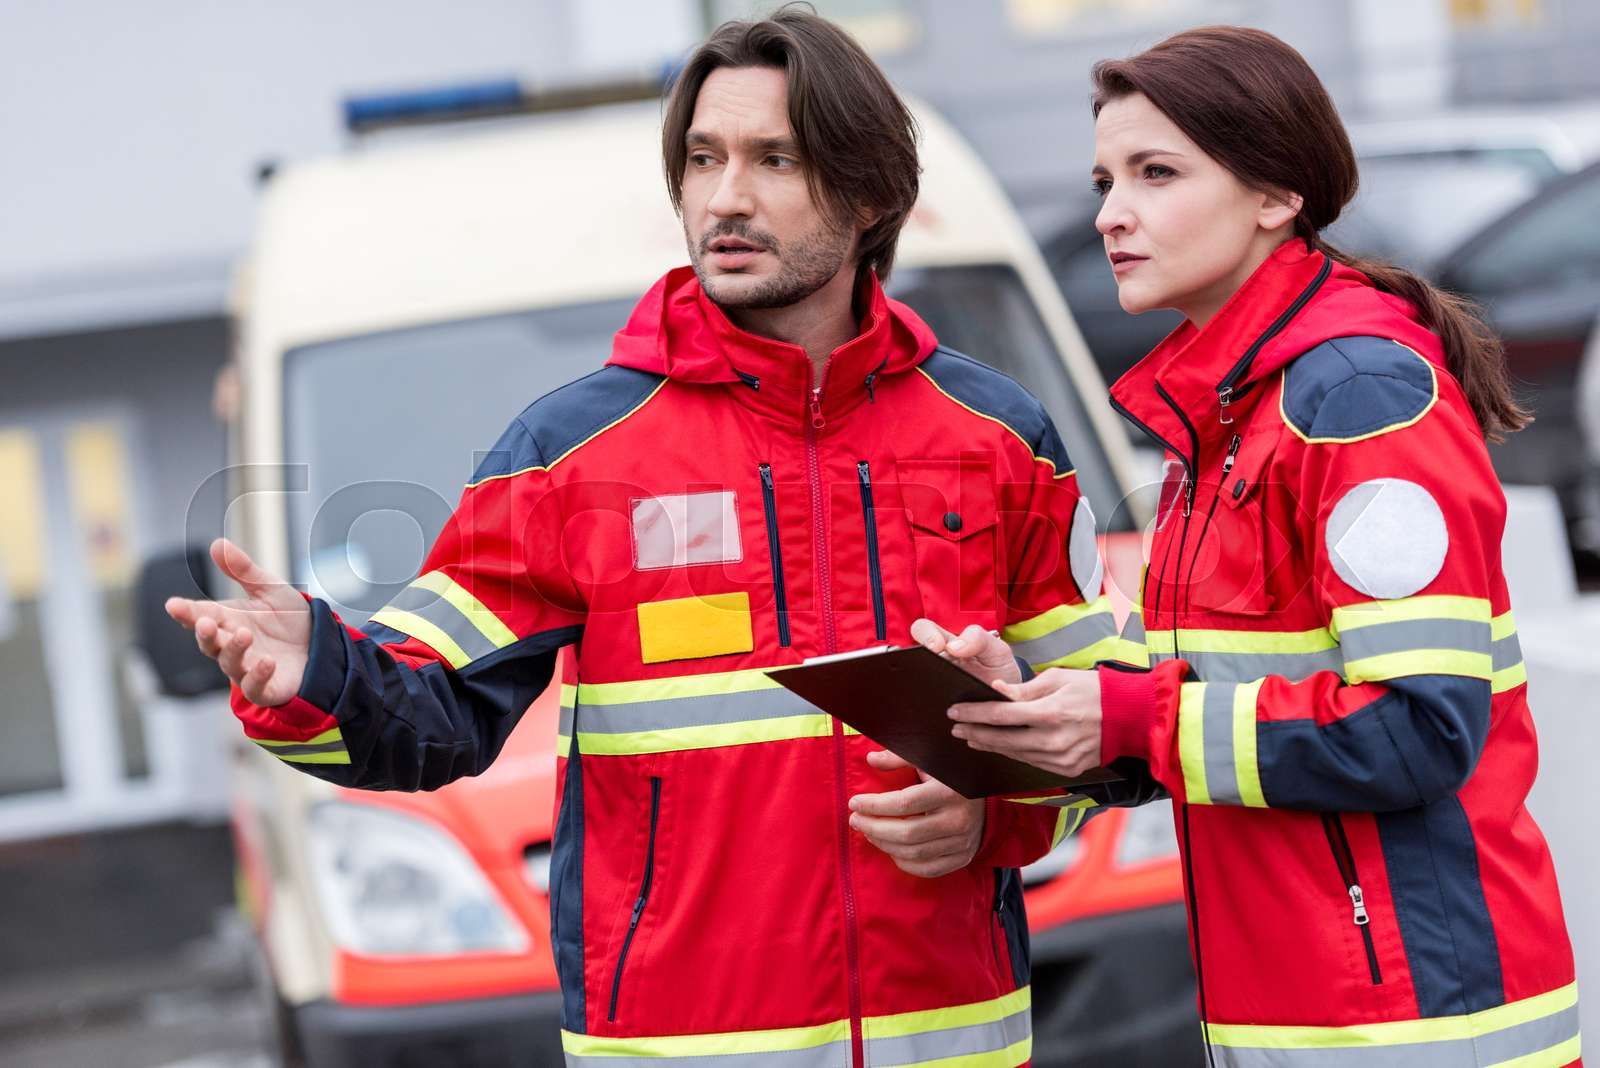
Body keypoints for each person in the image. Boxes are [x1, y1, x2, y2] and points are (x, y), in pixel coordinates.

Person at [165, 9, 1117, 1066]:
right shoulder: (568, 454)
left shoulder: (999, 437)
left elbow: (1101, 724)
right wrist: (319, 672)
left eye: (774, 160)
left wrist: (1005, 817)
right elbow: (434, 714)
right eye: (702, 160)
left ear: (872, 192)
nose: (724, 197)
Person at [942, 25, 1582, 1068]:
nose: (1110, 214)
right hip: (1298, 1017)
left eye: (1156, 173)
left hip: (1422, 1030)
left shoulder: (1356, 399)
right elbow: (1213, 703)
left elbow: (1418, 729)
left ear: (1275, 195)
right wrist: (1047, 712)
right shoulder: (1233, 417)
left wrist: (1129, 717)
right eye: (1105, 178)